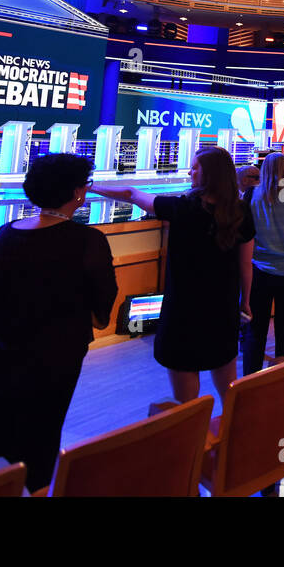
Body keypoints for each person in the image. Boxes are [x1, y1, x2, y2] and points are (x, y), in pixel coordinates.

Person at [0, 152, 117, 494]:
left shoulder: (4, 235)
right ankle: (36, 488)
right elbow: (101, 303)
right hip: (56, 357)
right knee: (45, 428)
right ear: (78, 193)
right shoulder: (88, 241)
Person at [91, 147, 254, 404]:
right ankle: (236, 439)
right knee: (228, 385)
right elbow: (246, 265)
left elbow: (132, 194)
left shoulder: (180, 208)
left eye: (195, 167)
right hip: (222, 309)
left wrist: (91, 187)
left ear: (209, 174)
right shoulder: (241, 212)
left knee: (186, 400)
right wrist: (245, 303)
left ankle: (192, 440)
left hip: (184, 311)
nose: (190, 171)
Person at [241, 152, 284, 375]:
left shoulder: (252, 194)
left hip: (259, 270)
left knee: (255, 329)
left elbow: (244, 232)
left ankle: (249, 383)